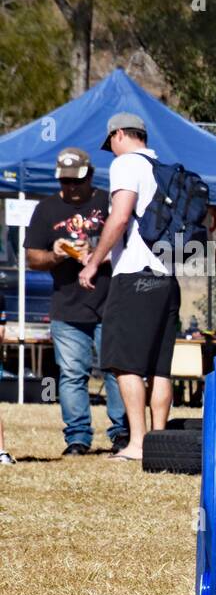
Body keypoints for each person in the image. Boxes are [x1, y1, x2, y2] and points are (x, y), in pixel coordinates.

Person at [77, 112, 181, 461]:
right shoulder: (166, 171)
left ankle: (137, 444)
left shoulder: (126, 165)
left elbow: (120, 217)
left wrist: (93, 261)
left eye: (111, 144)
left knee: (126, 363)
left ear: (119, 134)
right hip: (166, 279)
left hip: (135, 278)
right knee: (160, 367)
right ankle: (160, 442)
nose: (112, 151)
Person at [23, 147, 128, 455]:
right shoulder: (45, 209)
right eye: (65, 182)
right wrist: (55, 254)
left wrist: (98, 252)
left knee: (116, 370)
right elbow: (32, 257)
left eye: (76, 181)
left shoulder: (108, 202)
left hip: (111, 302)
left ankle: (123, 433)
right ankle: (78, 438)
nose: (70, 187)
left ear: (90, 176)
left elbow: (128, 244)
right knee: (71, 375)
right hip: (67, 308)